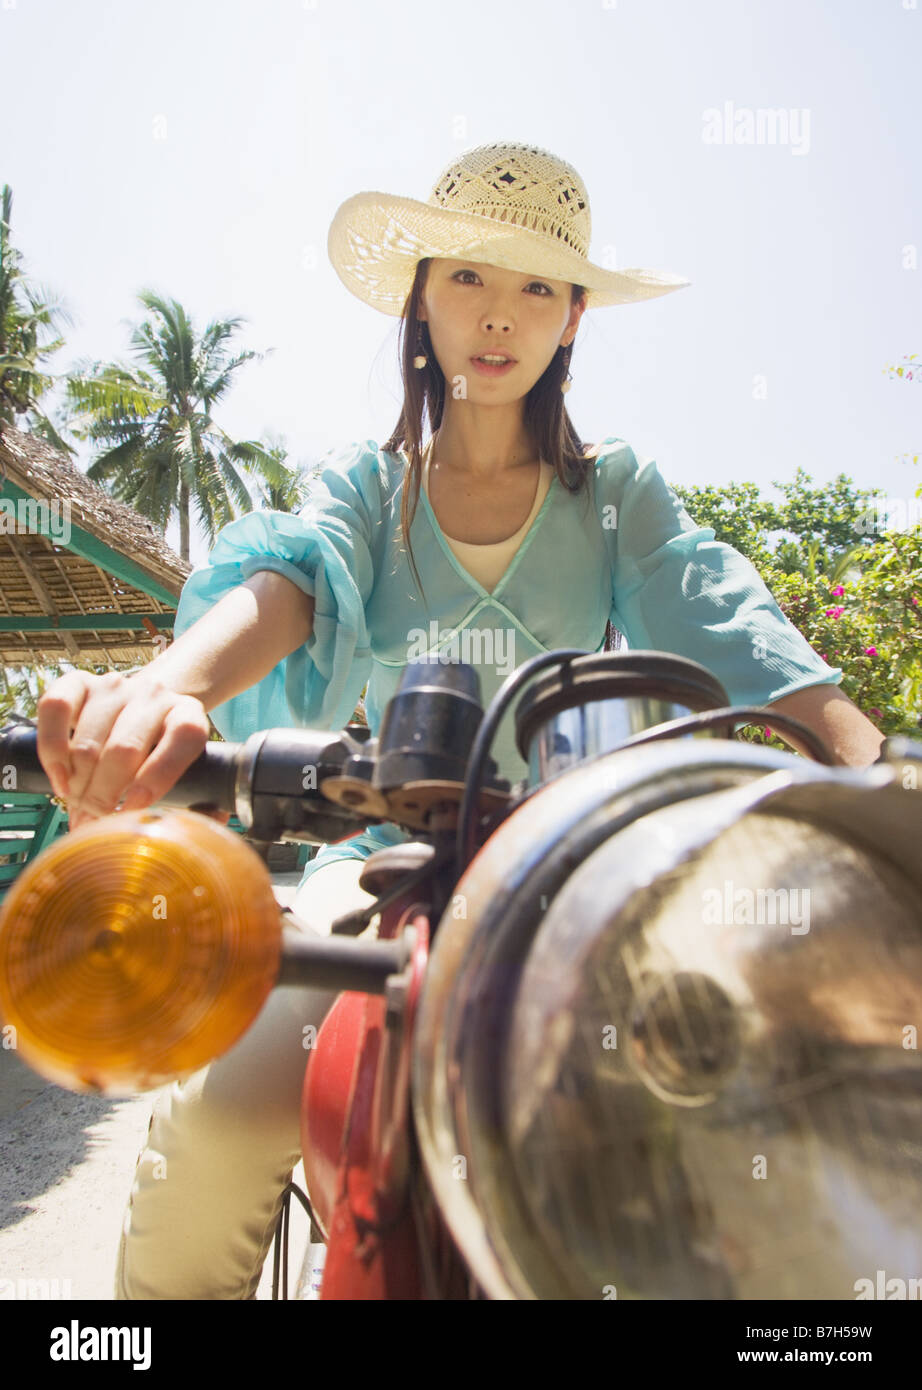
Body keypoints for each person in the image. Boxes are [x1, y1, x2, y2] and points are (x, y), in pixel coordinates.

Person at [36, 141, 885, 1299]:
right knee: (228, 1126)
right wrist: (168, 690)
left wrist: (871, 763)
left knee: (746, 1131)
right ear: (422, 298)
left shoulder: (615, 494)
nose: (500, 315)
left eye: (538, 285)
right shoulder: (367, 492)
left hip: (578, 876)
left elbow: (722, 617)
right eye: (471, 278)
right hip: (384, 862)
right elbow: (293, 584)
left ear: (575, 316)